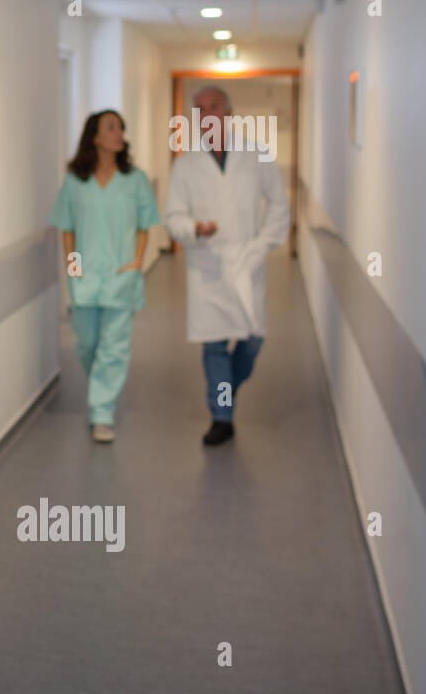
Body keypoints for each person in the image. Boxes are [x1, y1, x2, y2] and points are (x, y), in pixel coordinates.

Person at [164, 85, 289, 445]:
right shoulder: (185, 164)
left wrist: (262, 245)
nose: (207, 115)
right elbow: (173, 216)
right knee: (214, 347)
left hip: (247, 264)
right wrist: (193, 229)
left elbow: (279, 206)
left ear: (229, 113)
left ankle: (226, 392)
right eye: (199, 109)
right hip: (208, 267)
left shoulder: (257, 154)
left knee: (253, 341)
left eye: (214, 107)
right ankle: (222, 416)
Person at [49, 110, 160, 442]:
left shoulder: (135, 179)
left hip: (121, 274)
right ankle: (102, 389)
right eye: (111, 127)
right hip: (85, 277)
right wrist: (73, 266)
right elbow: (66, 227)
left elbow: (145, 224)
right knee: (88, 345)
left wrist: (138, 260)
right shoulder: (75, 180)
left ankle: (102, 413)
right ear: (94, 137)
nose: (118, 133)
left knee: (113, 348)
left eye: (120, 128)